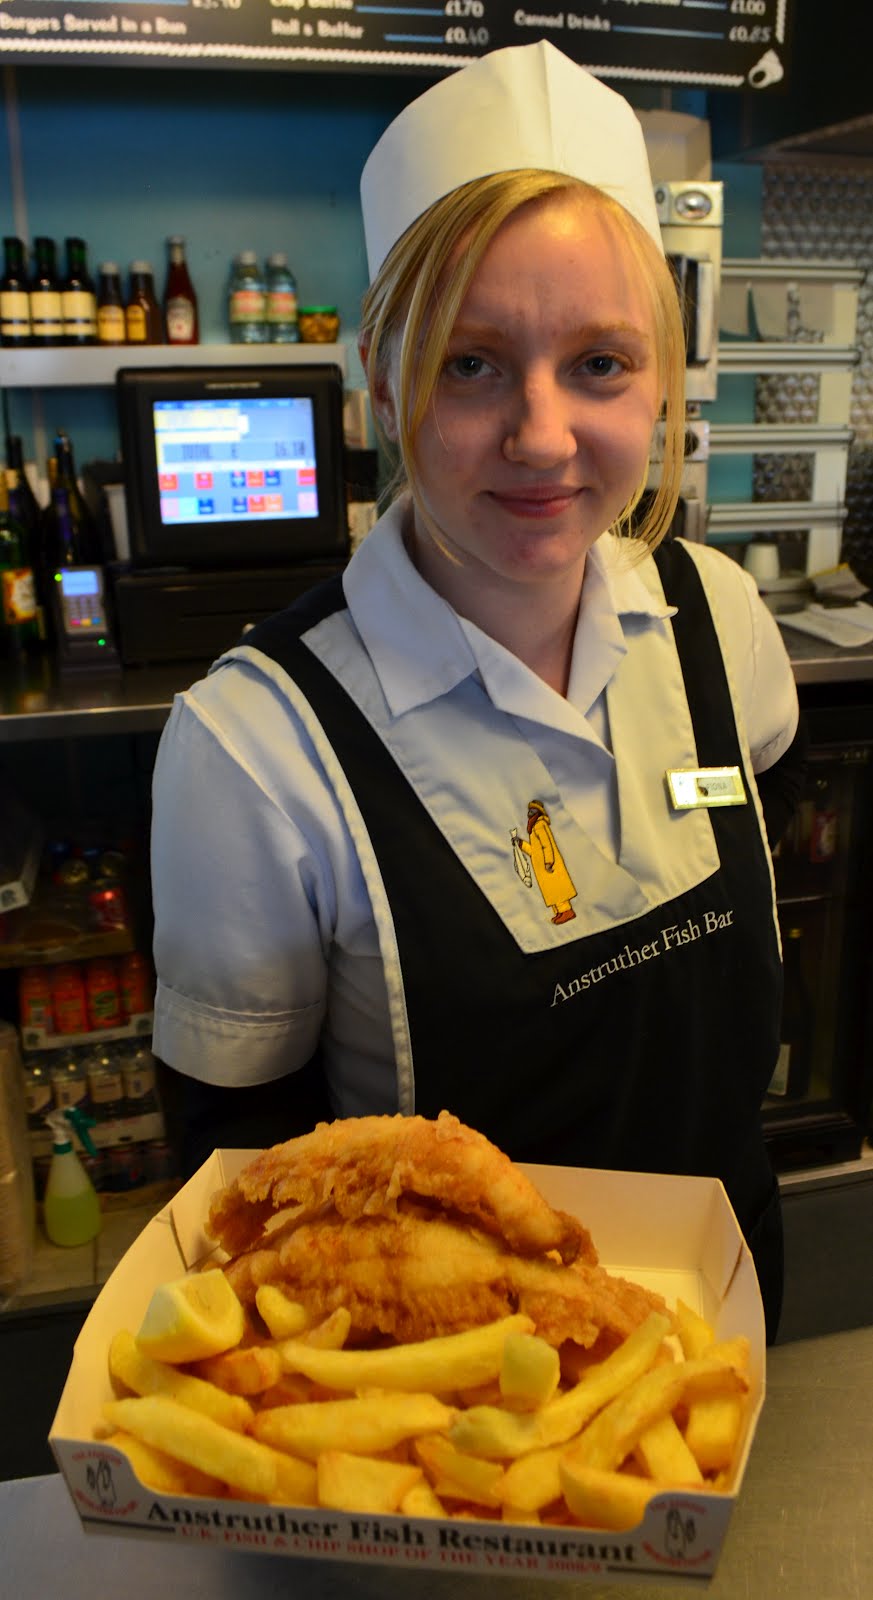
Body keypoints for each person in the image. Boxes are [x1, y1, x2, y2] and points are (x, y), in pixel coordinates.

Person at [150, 41, 806, 1341]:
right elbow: (237, 1200)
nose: (544, 437)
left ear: (664, 382)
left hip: (725, 1349)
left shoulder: (719, 624)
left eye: (600, 364)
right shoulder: (253, 746)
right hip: (442, 1437)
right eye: (471, 363)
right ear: (380, 377)